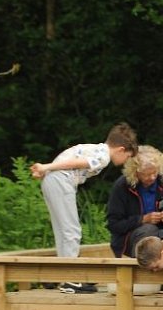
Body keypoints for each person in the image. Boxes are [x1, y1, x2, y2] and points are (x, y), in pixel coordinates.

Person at [31, 122, 138, 293]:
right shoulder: (103, 157)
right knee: (72, 231)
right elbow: (73, 163)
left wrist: (46, 171)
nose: (125, 161)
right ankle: (71, 280)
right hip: (60, 179)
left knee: (63, 230)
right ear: (120, 149)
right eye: (127, 157)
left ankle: (66, 276)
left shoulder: (97, 148)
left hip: (52, 180)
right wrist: (46, 167)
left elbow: (68, 157)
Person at [106, 145, 163, 258]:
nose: (152, 178)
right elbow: (114, 224)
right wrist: (142, 219)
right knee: (148, 230)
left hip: (162, 233)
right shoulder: (122, 187)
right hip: (130, 237)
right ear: (135, 172)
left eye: (154, 173)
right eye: (147, 174)